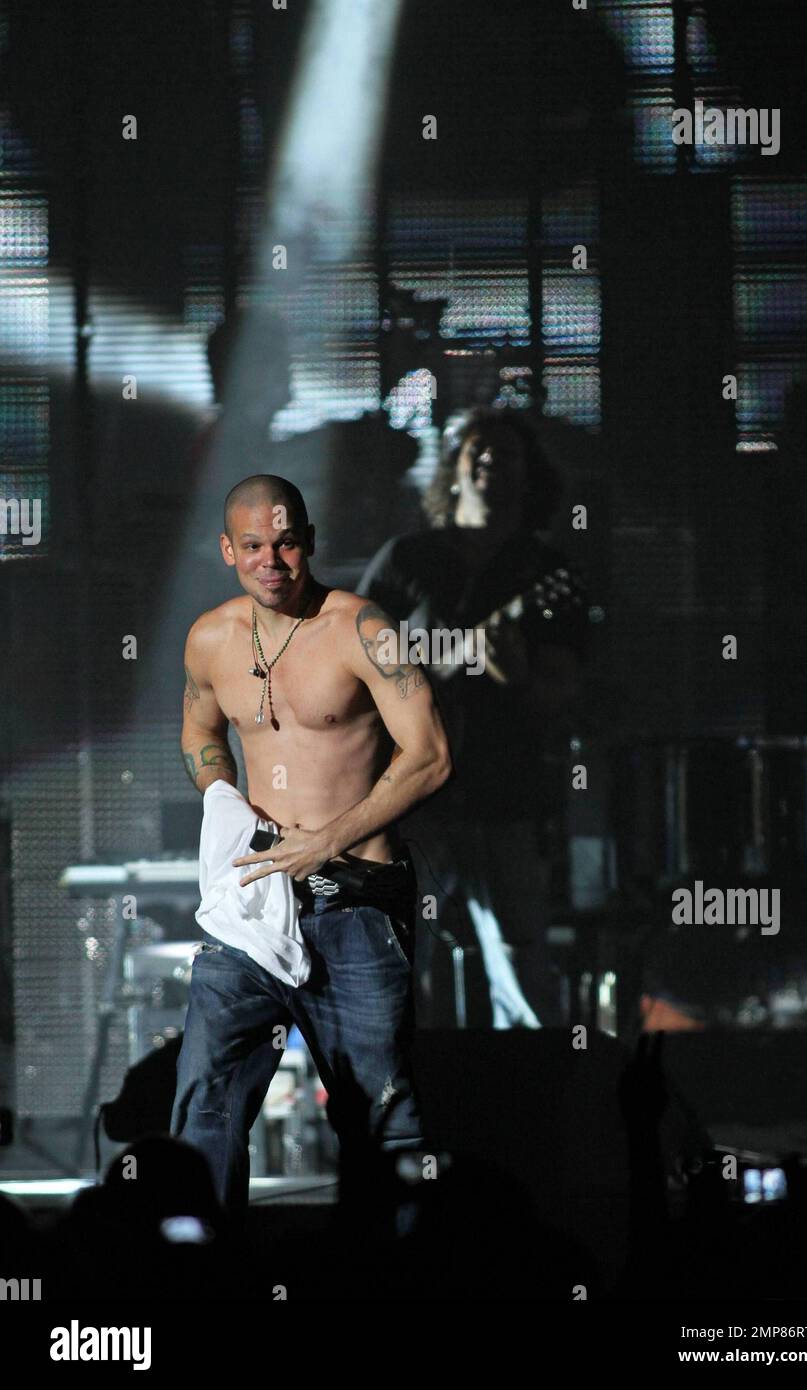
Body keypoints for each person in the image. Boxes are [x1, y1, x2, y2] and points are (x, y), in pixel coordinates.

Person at [171, 473, 451, 1211]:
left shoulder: (361, 628)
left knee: (382, 1114)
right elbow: (200, 734)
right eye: (255, 545)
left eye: (287, 542)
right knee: (204, 1101)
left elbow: (429, 756)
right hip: (256, 900)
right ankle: (194, 1275)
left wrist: (324, 842)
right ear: (228, 549)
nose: (273, 560)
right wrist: (224, 802)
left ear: (309, 544)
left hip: (355, 898)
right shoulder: (209, 638)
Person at [359, 406, 588, 1028]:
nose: (491, 462)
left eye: (507, 455)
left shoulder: (545, 573)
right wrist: (433, 669)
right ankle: (407, 1100)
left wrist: (518, 680)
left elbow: (563, 691)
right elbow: (349, 665)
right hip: (414, 796)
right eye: (477, 451)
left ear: (527, 476)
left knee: (521, 965)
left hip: (505, 792)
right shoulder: (407, 558)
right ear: (455, 468)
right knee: (399, 955)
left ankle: (533, 1101)